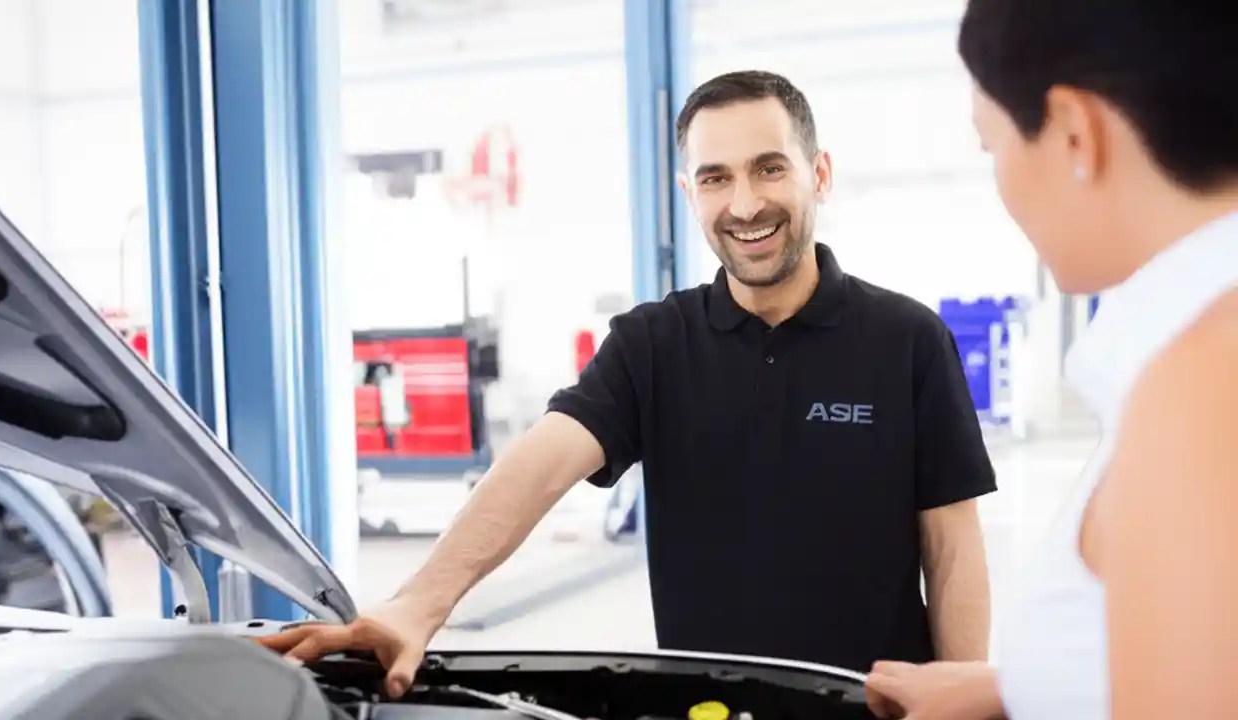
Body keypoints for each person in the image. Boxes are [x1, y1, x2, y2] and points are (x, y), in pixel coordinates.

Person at [258, 70, 997, 699]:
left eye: (769, 168)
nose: (744, 204)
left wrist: (964, 693)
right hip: (704, 709)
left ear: (819, 174)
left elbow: (953, 549)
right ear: (690, 191)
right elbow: (537, 468)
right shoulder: (653, 345)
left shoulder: (907, 341)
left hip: (867, 708)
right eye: (716, 178)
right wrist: (419, 603)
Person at [863, 2, 1238, 719]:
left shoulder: (1205, 386)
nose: (1000, 182)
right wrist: (1021, 687)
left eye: (991, 145)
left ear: (1074, 132)